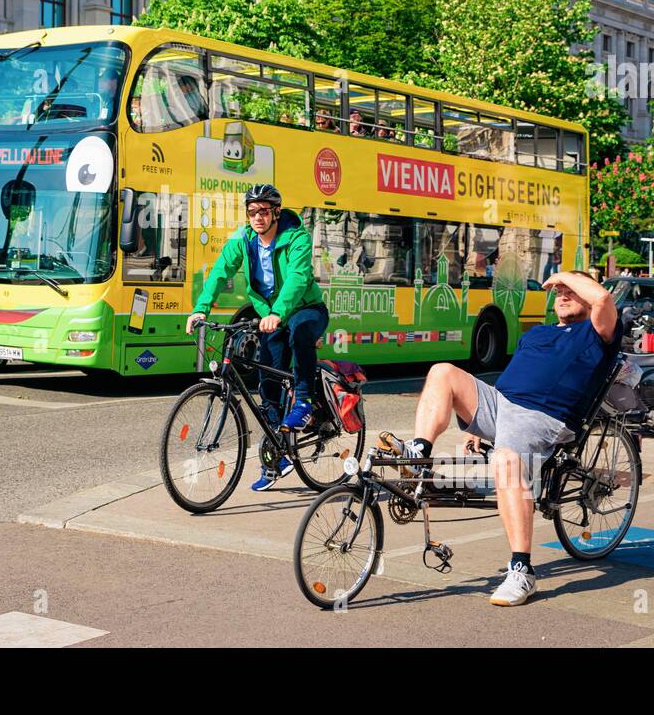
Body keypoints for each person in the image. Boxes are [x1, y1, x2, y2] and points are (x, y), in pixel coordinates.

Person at [378, 270, 621, 606]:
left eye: (570, 291)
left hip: (543, 415)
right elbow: (508, 383)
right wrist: (482, 428)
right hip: (502, 405)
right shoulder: (538, 334)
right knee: (442, 371)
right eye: (559, 291)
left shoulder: (597, 332)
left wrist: (562, 274)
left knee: (506, 462)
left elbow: (604, 299)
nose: (562, 295)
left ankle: (521, 571)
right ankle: (419, 454)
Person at [185, 184, 329, 492]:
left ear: (276, 212)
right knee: (267, 379)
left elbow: (298, 278)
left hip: (305, 308)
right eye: (252, 212)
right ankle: (277, 455)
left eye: (263, 211)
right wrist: (200, 310)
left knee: (301, 333)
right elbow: (220, 272)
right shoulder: (244, 240)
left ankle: (304, 400)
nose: (257, 217)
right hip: (270, 316)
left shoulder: (297, 238)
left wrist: (277, 313)